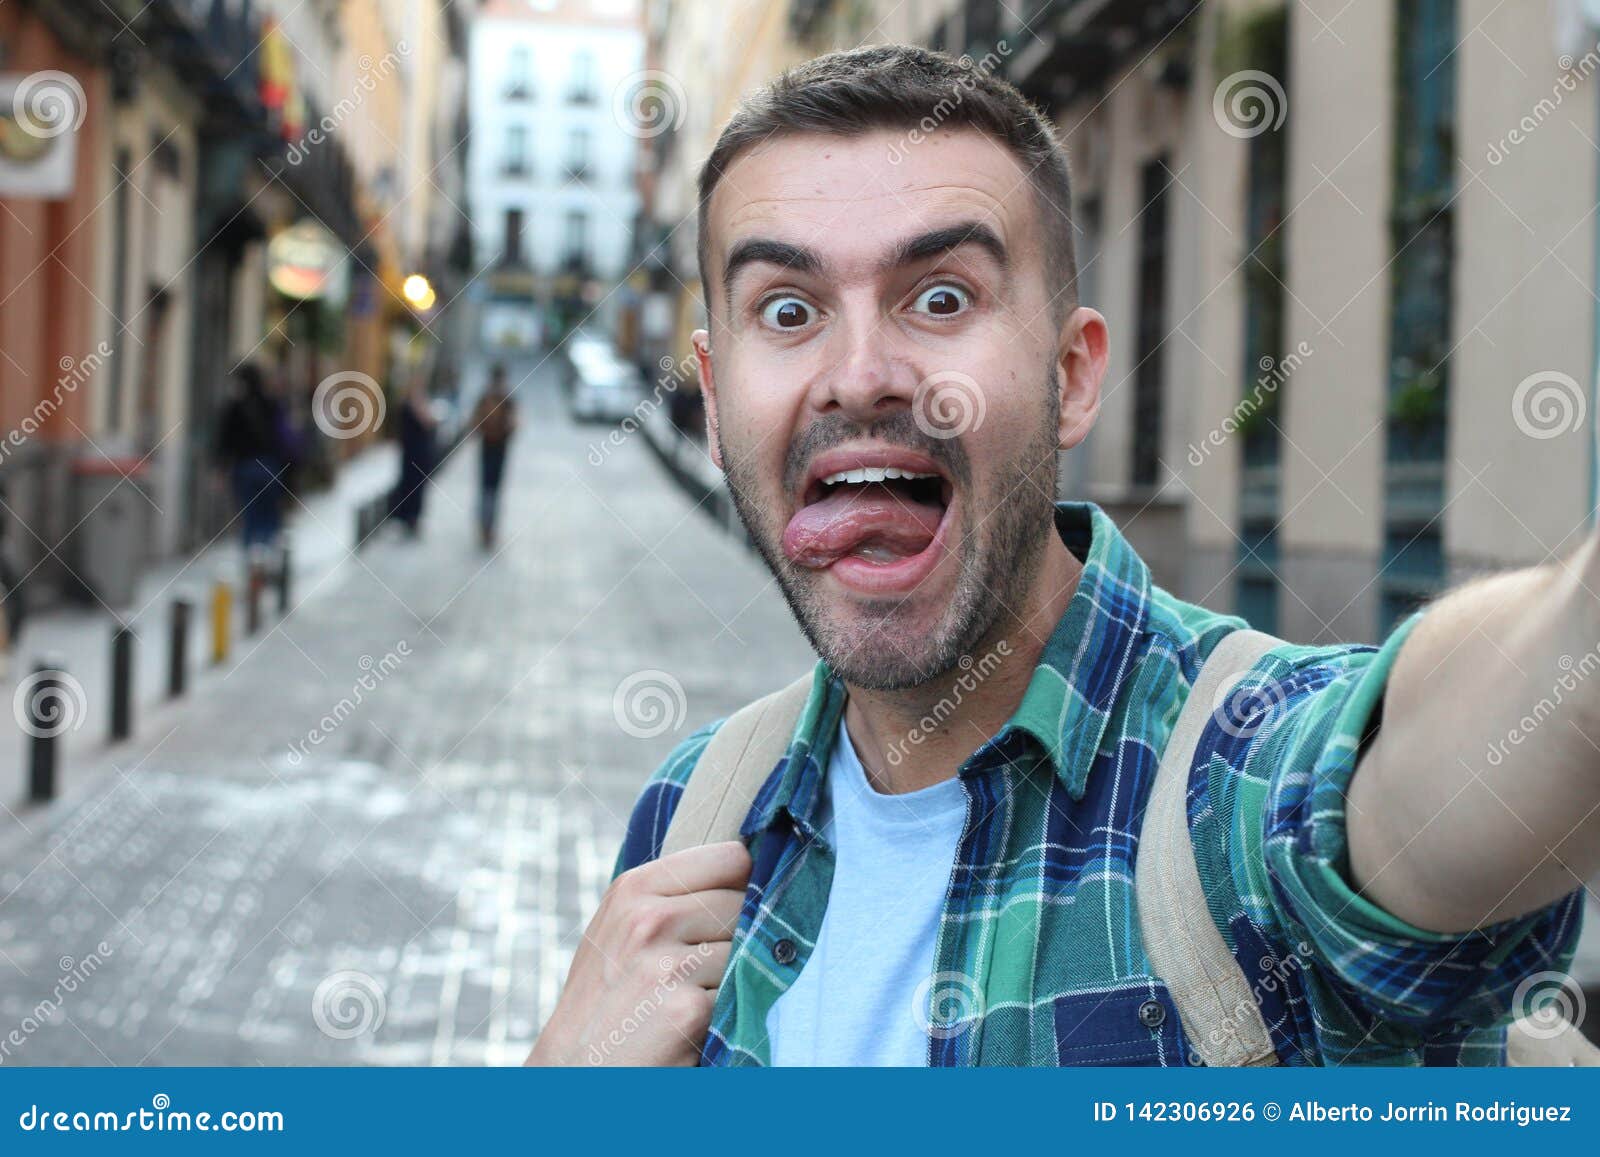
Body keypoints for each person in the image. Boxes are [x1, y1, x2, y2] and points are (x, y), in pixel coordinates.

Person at [529, 47, 1591, 1068]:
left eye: (940, 296)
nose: (858, 376)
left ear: (1072, 375)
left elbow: (1410, 774)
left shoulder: (1231, 785)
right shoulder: (696, 812)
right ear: (714, 407)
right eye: (789, 310)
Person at [216, 362, 288, 564]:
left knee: (249, 515)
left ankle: (252, 563)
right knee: (269, 516)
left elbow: (224, 442)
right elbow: (282, 439)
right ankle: (266, 561)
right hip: (269, 467)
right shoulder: (272, 405)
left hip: (245, 468)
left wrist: (221, 471)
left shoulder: (234, 408)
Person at [471, 365, 518, 549]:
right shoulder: (507, 399)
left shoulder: (486, 397)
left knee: (485, 489)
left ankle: (485, 527)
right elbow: (516, 424)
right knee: (494, 490)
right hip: (499, 449)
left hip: (488, 447)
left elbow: (474, 424)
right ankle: (489, 528)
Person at [389, 383, 437, 538]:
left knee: (412, 486)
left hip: (413, 454)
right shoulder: (411, 407)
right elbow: (427, 422)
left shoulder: (407, 406)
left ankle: (410, 518)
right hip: (415, 454)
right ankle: (410, 518)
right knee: (413, 486)